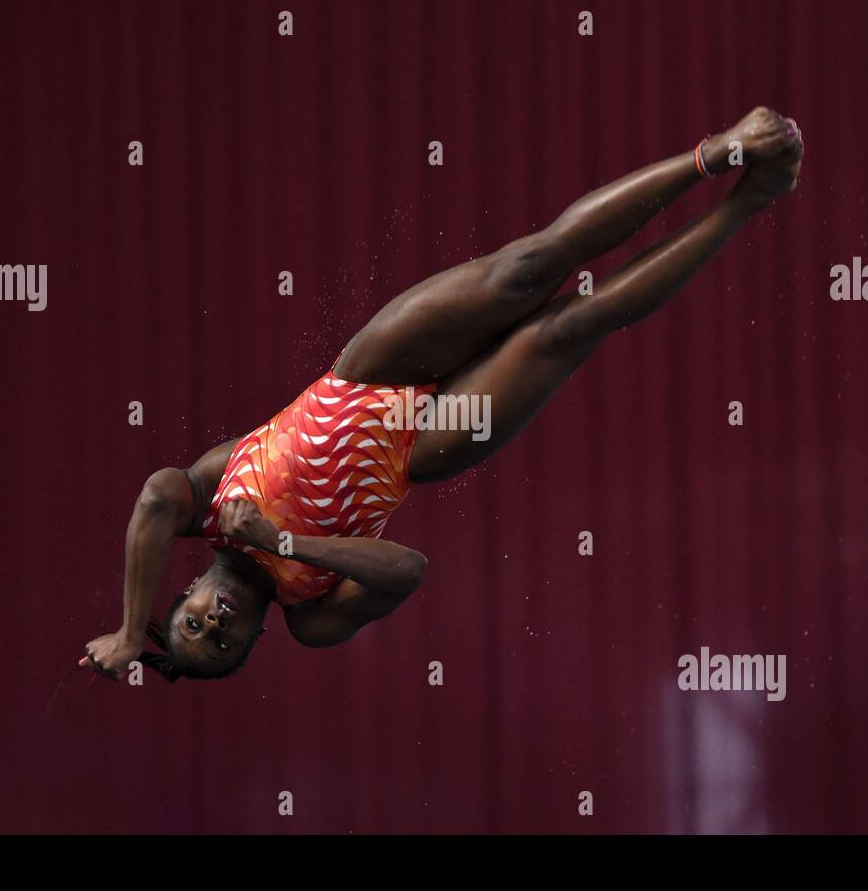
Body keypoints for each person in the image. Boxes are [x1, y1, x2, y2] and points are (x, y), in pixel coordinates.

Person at [81, 107, 804, 682]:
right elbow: (406, 572)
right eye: (223, 640)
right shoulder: (309, 614)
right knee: (574, 325)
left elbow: (150, 498)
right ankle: (749, 204)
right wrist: (283, 542)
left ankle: (723, 152)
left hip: (375, 371)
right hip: (422, 446)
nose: (216, 623)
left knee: (529, 267)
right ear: (253, 638)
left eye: (195, 620)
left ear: (184, 594)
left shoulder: (204, 501)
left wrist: (124, 630)